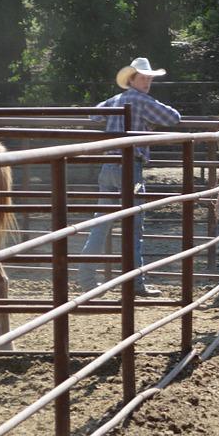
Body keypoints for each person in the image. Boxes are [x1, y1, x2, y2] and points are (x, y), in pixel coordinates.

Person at [77, 57, 182, 296]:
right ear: (133, 79)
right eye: (143, 77)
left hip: (109, 166)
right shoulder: (142, 100)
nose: (147, 81)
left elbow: (93, 115)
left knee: (101, 224)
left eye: (148, 78)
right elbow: (173, 117)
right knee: (134, 226)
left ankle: (86, 279)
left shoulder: (116, 99)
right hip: (130, 167)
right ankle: (135, 282)